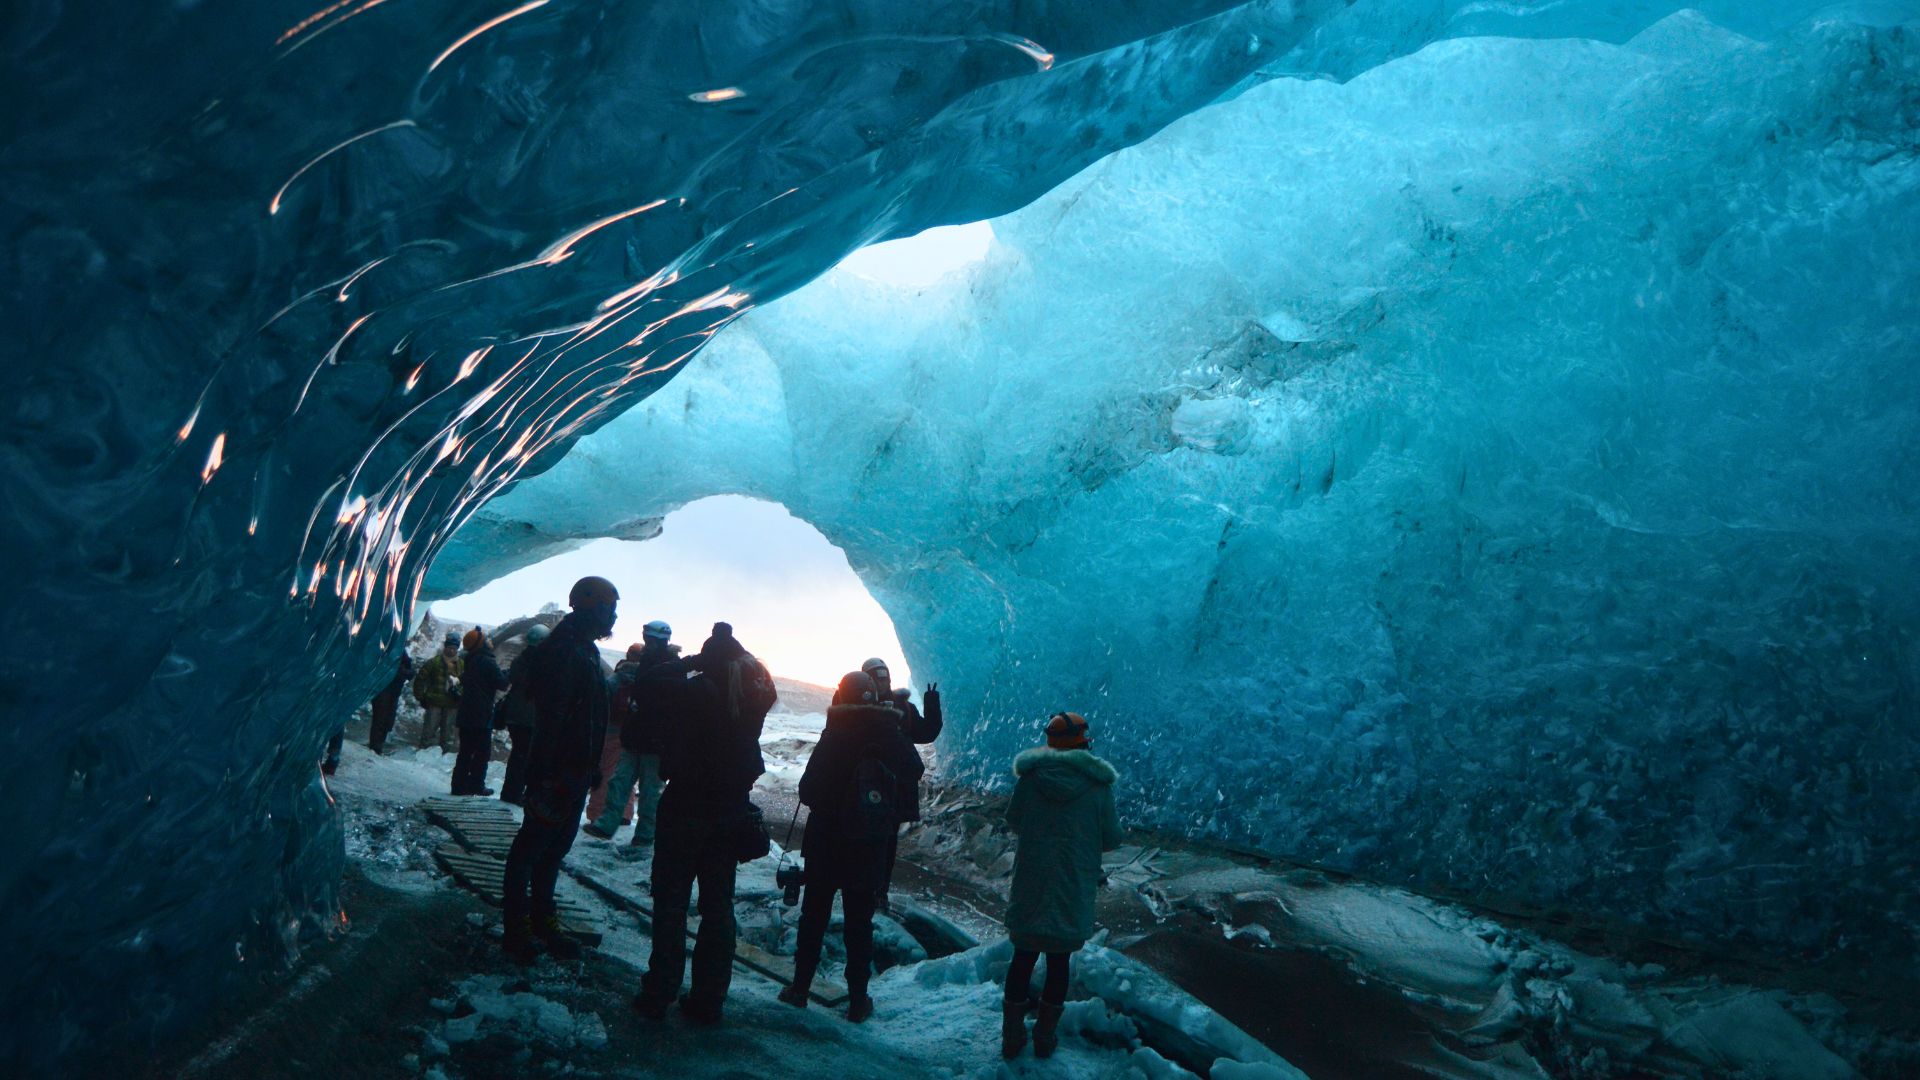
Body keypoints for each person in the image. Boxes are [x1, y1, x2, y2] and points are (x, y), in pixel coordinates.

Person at [632, 622, 777, 1025]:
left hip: (686, 806)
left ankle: (660, 990)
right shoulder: (755, 695)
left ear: (710, 659)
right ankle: (708, 1000)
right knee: (717, 906)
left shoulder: (698, 690)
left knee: (671, 902)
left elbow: (648, 682)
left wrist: (694, 660)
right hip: (730, 811)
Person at [779, 670, 922, 1022]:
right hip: (868, 844)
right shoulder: (886, 732)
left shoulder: (836, 733)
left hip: (826, 841)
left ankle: (800, 988)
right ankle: (858, 999)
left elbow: (808, 791)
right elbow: (914, 769)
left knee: (814, 916)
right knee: (859, 922)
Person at [501, 578, 617, 964]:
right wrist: (554, 775)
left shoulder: (580, 648)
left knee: (550, 850)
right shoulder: (567, 651)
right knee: (532, 848)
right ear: (590, 608)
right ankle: (518, 927)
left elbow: (584, 717)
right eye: (607, 607)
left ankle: (540, 920)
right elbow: (555, 718)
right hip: (558, 772)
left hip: (572, 770)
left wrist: (589, 768)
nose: (612, 615)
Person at [999, 711, 1122, 1060]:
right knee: (1058, 962)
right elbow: (1112, 838)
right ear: (1083, 744)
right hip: (1071, 885)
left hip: (1032, 883)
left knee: (1022, 957)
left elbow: (1014, 819)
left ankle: (1011, 1036)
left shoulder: (1031, 779)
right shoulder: (1098, 787)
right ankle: (1044, 1037)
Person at [583, 620, 679, 849]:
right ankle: (608, 824)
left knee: (648, 790)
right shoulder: (654, 662)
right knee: (620, 782)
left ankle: (644, 834)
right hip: (637, 735)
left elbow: (670, 707)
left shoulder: (668, 666)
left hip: (652, 740)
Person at [859, 657, 942, 908]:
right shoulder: (859, 706)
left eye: (884, 676)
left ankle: (878, 892)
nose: (881, 681)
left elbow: (926, 732)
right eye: (876, 676)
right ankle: (863, 891)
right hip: (870, 786)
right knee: (867, 839)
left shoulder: (903, 707)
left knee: (888, 839)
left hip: (896, 787)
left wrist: (931, 703)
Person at [496, 624, 549, 805]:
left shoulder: (519, 660)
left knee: (518, 754)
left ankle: (510, 792)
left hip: (515, 713)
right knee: (525, 756)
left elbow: (512, 681)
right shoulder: (544, 663)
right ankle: (516, 794)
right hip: (531, 716)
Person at [452, 628, 507, 796]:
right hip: (481, 714)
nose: (490, 641)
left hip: (466, 713)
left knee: (465, 751)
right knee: (482, 753)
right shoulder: (487, 662)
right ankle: (476, 785)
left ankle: (458, 786)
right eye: (486, 639)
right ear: (481, 643)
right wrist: (510, 673)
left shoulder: (470, 660)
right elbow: (502, 684)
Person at [413, 631, 464, 751]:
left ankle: (442, 758)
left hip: (452, 705)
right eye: (450, 647)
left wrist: (460, 695)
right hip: (434, 703)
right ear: (445, 647)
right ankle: (423, 754)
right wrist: (421, 697)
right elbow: (420, 680)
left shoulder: (462, 665)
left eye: (454, 648)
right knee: (428, 733)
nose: (452, 650)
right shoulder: (434, 662)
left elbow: (465, 682)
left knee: (447, 736)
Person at [367, 652, 414, 754]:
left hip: (394, 691)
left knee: (388, 720)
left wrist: (402, 672)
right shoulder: (385, 649)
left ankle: (379, 744)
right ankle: (375, 746)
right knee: (380, 718)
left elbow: (410, 672)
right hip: (382, 689)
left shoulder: (401, 652)